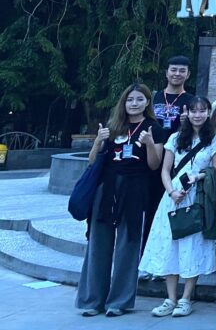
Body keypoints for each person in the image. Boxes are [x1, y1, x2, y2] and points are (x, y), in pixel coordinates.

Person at [76, 84, 164, 317]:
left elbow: (154, 165)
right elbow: (92, 162)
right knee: (98, 242)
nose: (134, 104)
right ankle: (92, 300)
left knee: (128, 243)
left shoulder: (154, 128)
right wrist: (98, 141)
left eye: (139, 99)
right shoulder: (113, 126)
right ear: (123, 103)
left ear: (147, 102)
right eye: (130, 100)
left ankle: (119, 301)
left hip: (135, 189)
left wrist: (148, 143)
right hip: (107, 189)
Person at [142, 96, 216, 318]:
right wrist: (171, 192)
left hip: (198, 196)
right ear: (187, 113)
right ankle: (170, 298)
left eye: (202, 110)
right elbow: (165, 170)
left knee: (193, 245)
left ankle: (186, 298)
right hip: (174, 196)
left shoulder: (215, 140)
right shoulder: (175, 138)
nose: (198, 115)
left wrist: (198, 177)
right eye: (194, 111)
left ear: (208, 113)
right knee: (170, 244)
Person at [146, 55, 196, 254]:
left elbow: (198, 131)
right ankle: (147, 253)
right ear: (166, 72)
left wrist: (187, 123)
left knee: (171, 209)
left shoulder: (191, 101)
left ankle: (167, 254)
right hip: (151, 156)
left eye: (182, 70)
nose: (177, 74)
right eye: (173, 69)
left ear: (188, 74)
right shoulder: (153, 98)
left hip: (176, 161)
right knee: (149, 209)